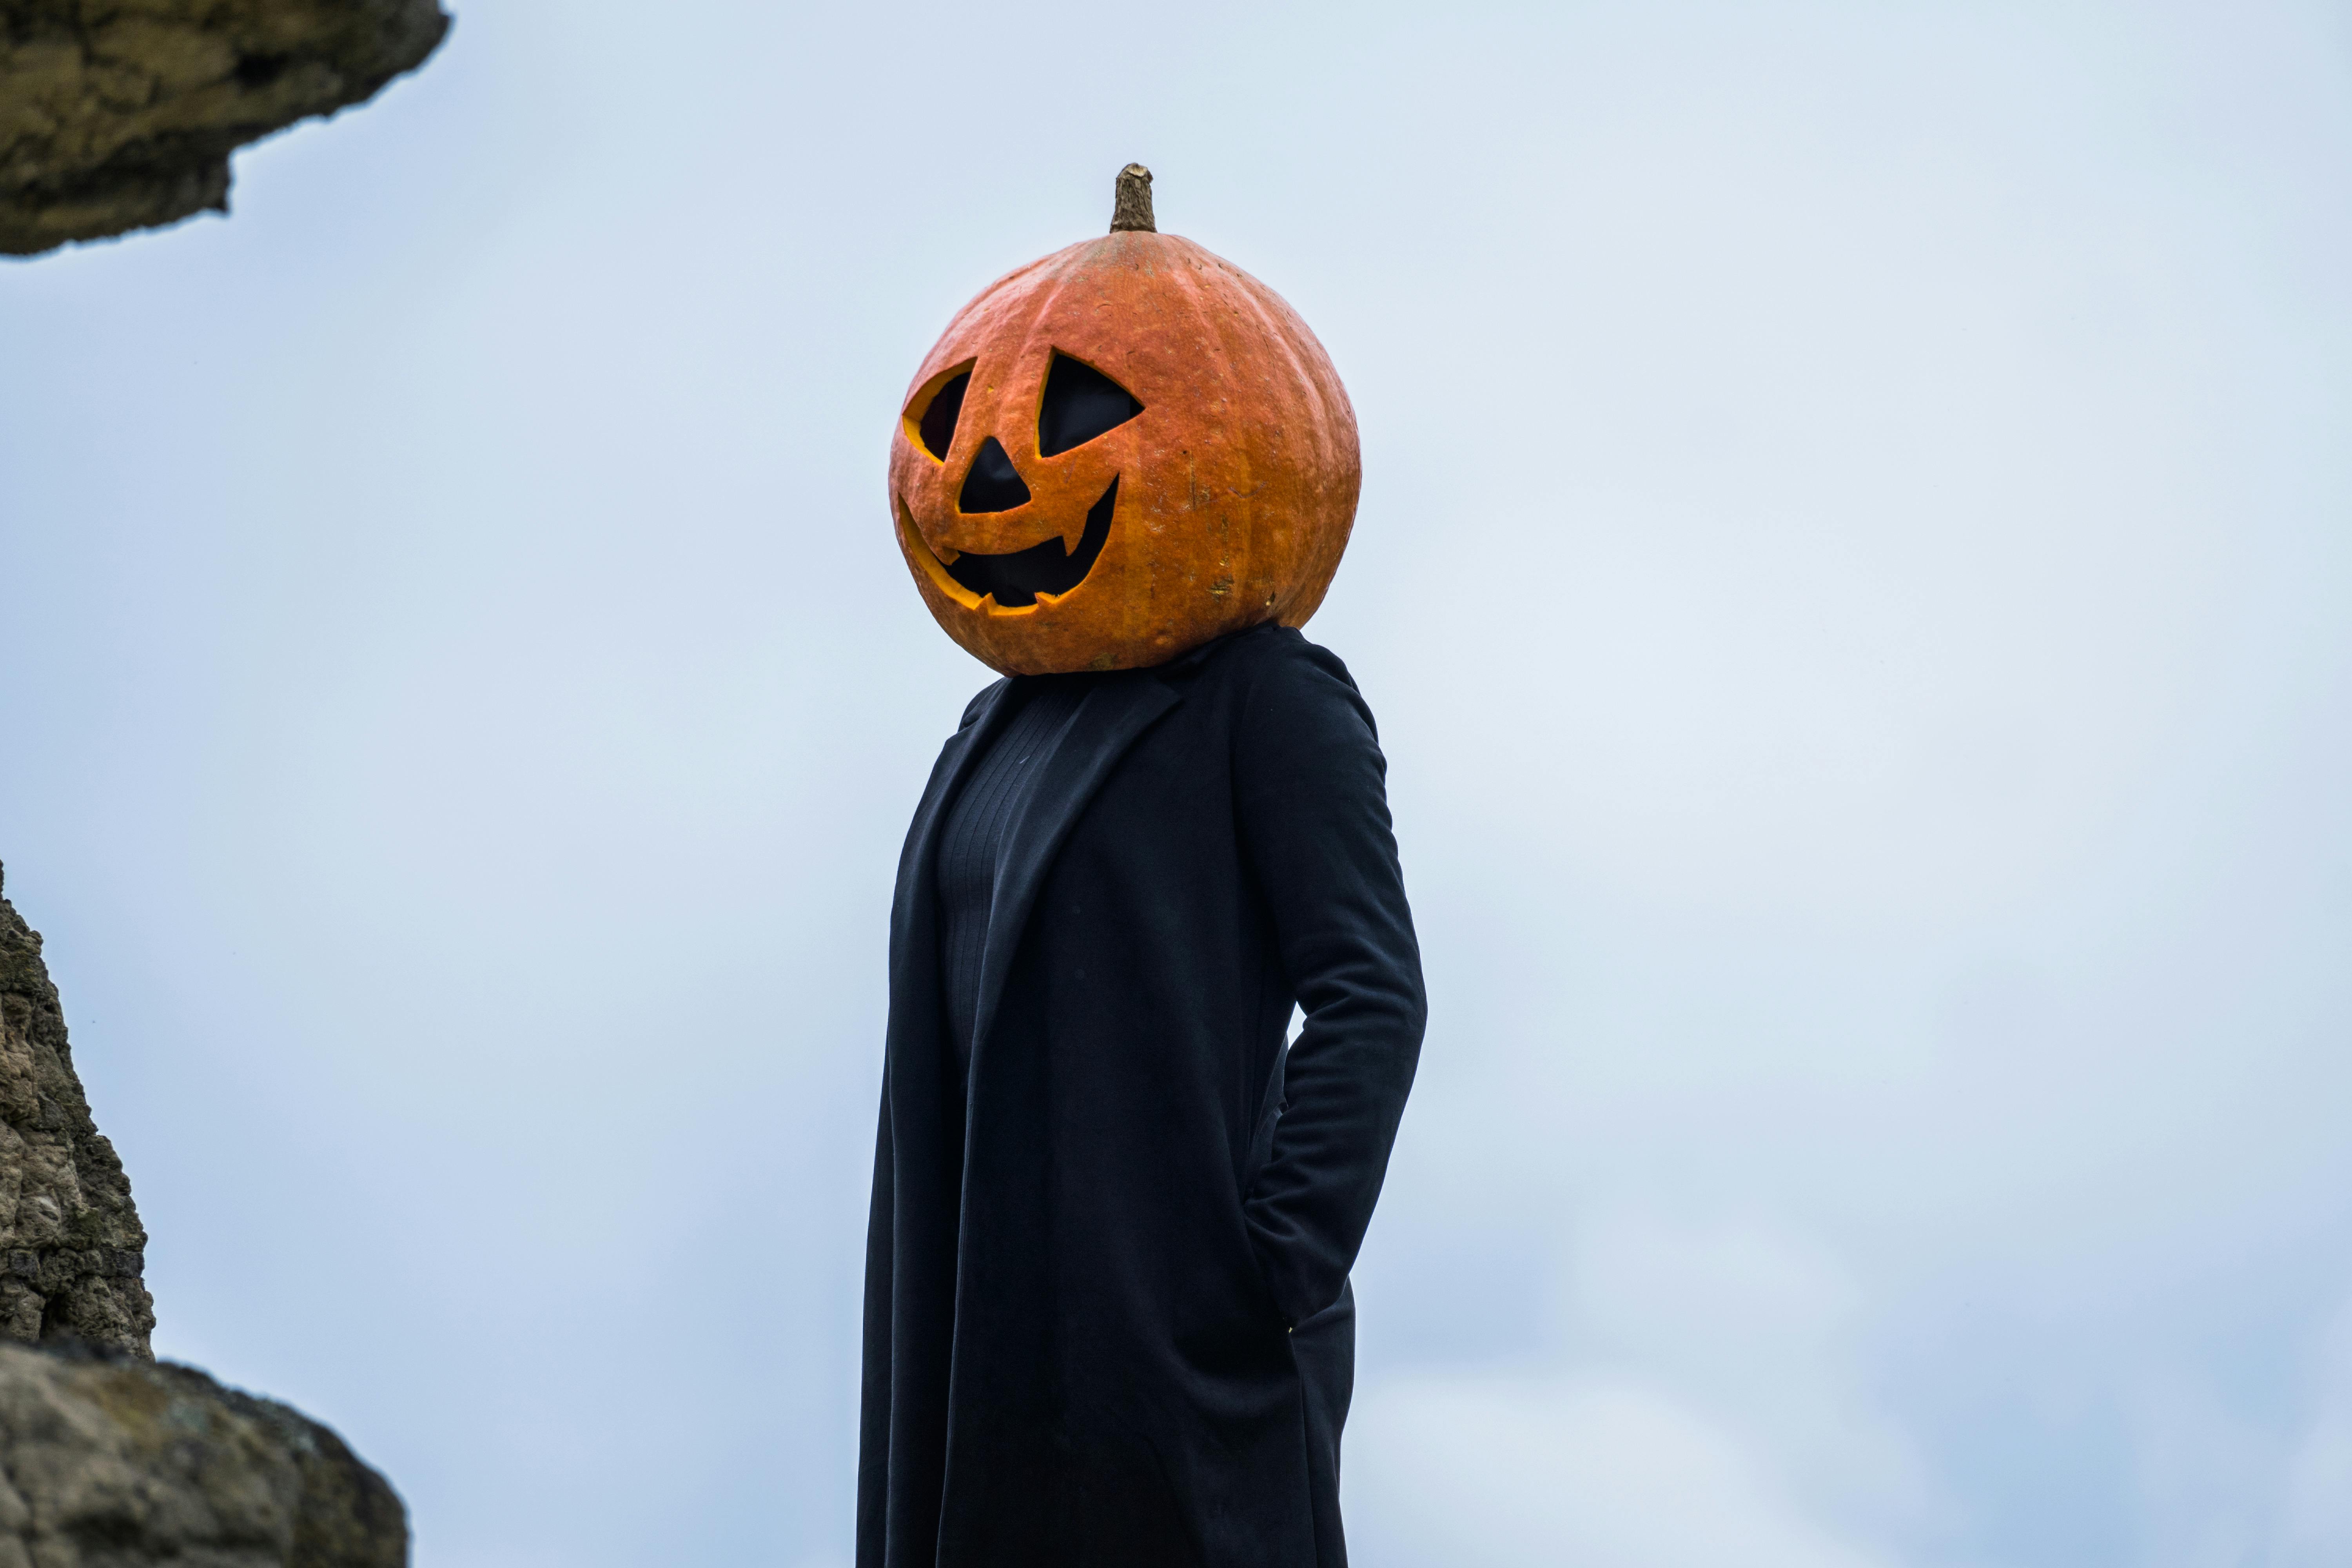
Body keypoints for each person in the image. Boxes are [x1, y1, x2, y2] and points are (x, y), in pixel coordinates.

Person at [860, 167, 1425, 1568]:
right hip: (967, 1345)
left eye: (1073, 415)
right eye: (957, 424)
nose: (993, 472)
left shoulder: (1266, 699)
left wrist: (1263, 1272)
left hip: (1175, 1359)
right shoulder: (989, 729)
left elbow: (1369, 995)